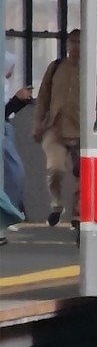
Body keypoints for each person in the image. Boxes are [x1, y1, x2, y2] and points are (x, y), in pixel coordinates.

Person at [32, 30, 81, 229]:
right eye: (72, 42)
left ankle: (78, 215)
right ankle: (56, 204)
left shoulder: (93, 68)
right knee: (55, 168)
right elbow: (43, 98)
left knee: (82, 175)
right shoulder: (56, 67)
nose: (75, 46)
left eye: (79, 42)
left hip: (82, 130)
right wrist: (38, 124)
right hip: (55, 128)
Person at [2, 51, 33, 246]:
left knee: (13, 172)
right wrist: (17, 100)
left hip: (6, 130)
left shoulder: (4, 85)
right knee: (14, 171)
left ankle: (12, 210)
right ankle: (10, 212)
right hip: (4, 132)